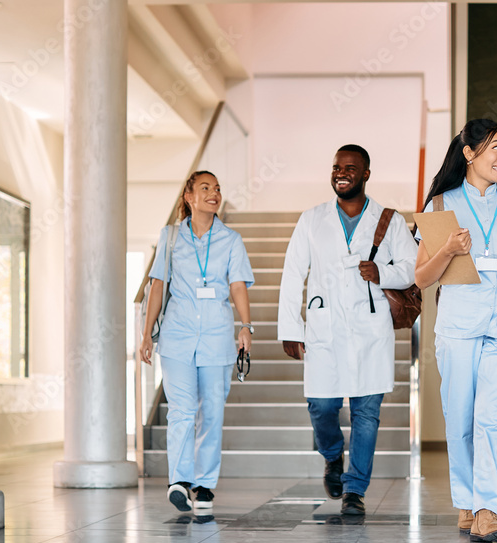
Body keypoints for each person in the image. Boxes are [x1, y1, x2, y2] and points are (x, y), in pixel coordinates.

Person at [414, 118, 497, 543]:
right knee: (460, 421)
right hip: (457, 328)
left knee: (492, 417)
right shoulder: (440, 206)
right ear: (469, 153)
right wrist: (448, 248)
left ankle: (488, 510)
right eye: (495, 148)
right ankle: (467, 503)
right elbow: (421, 278)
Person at [278, 144, 418, 516]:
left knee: (366, 413)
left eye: (350, 167)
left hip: (371, 330)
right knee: (321, 406)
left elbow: (412, 267)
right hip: (323, 326)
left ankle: (355, 490)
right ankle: (331, 456)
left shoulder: (390, 221)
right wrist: (291, 328)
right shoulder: (312, 219)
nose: (341, 173)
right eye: (337, 167)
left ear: (366, 174)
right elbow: (294, 273)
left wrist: (382, 273)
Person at [140, 170, 255, 512]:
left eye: (217, 188)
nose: (213, 193)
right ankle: (179, 480)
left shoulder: (231, 240)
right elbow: (158, 284)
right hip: (177, 335)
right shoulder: (171, 236)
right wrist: (146, 333)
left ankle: (204, 483)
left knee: (212, 411)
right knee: (181, 410)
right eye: (205, 188)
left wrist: (246, 327)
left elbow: (237, 285)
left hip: (218, 336)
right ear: (189, 196)